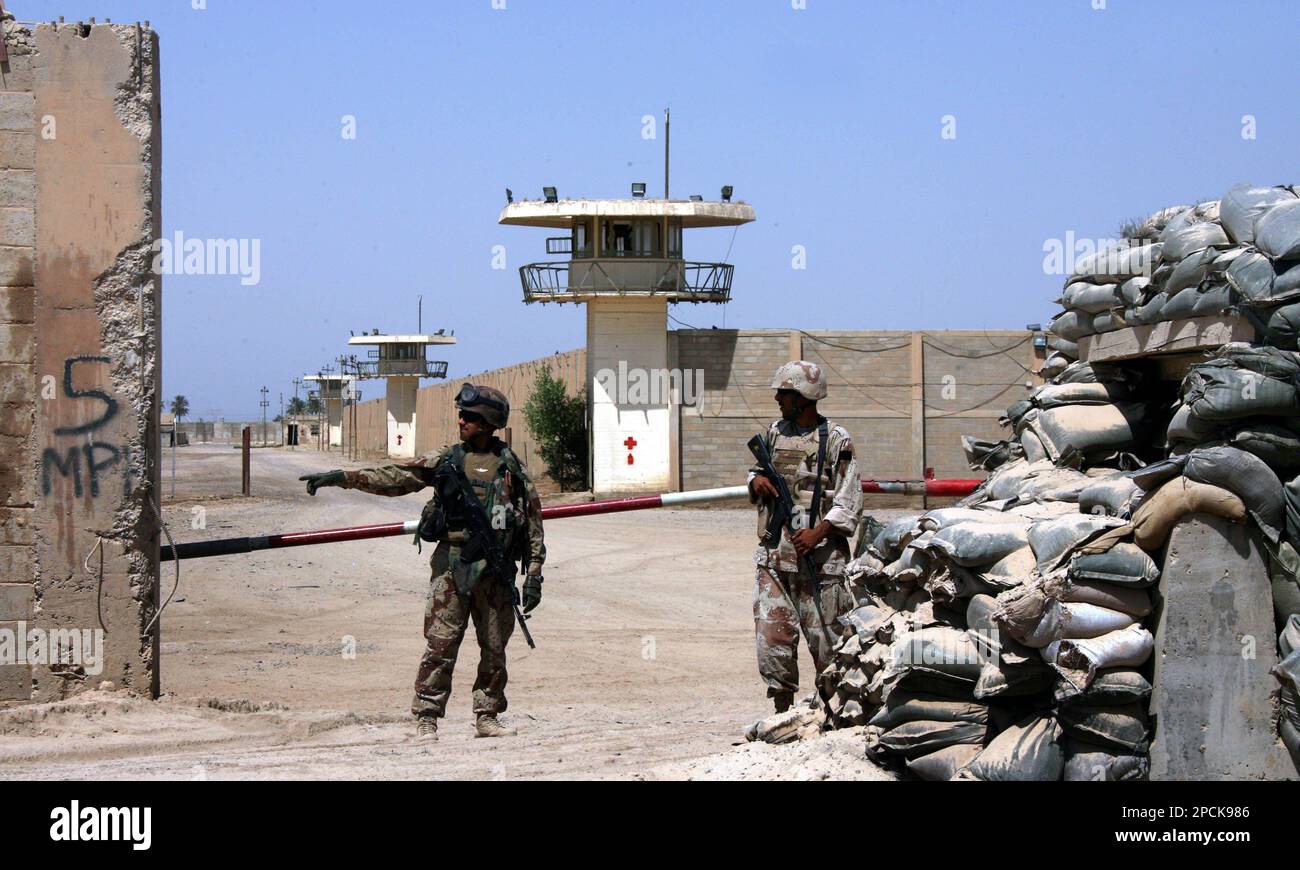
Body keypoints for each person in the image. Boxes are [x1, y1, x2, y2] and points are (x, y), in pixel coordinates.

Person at [299, 384, 545, 741]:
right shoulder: (448, 459)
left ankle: (487, 716)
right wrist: (344, 478)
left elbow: (533, 523)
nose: (461, 420)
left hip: (495, 572)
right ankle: (426, 717)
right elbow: (399, 477)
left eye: (470, 417)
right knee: (441, 643)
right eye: (462, 414)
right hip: (452, 566)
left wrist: (534, 575)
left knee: (494, 648)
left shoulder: (512, 468)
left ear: (488, 422)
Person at [747, 361, 862, 713]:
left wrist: (818, 533)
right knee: (773, 638)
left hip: (821, 561)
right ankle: (783, 713)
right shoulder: (774, 433)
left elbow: (849, 499)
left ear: (804, 396)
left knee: (827, 642)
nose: (777, 398)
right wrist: (756, 482)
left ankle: (834, 714)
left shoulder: (836, 439)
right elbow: (756, 471)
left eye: (784, 392)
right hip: (774, 557)